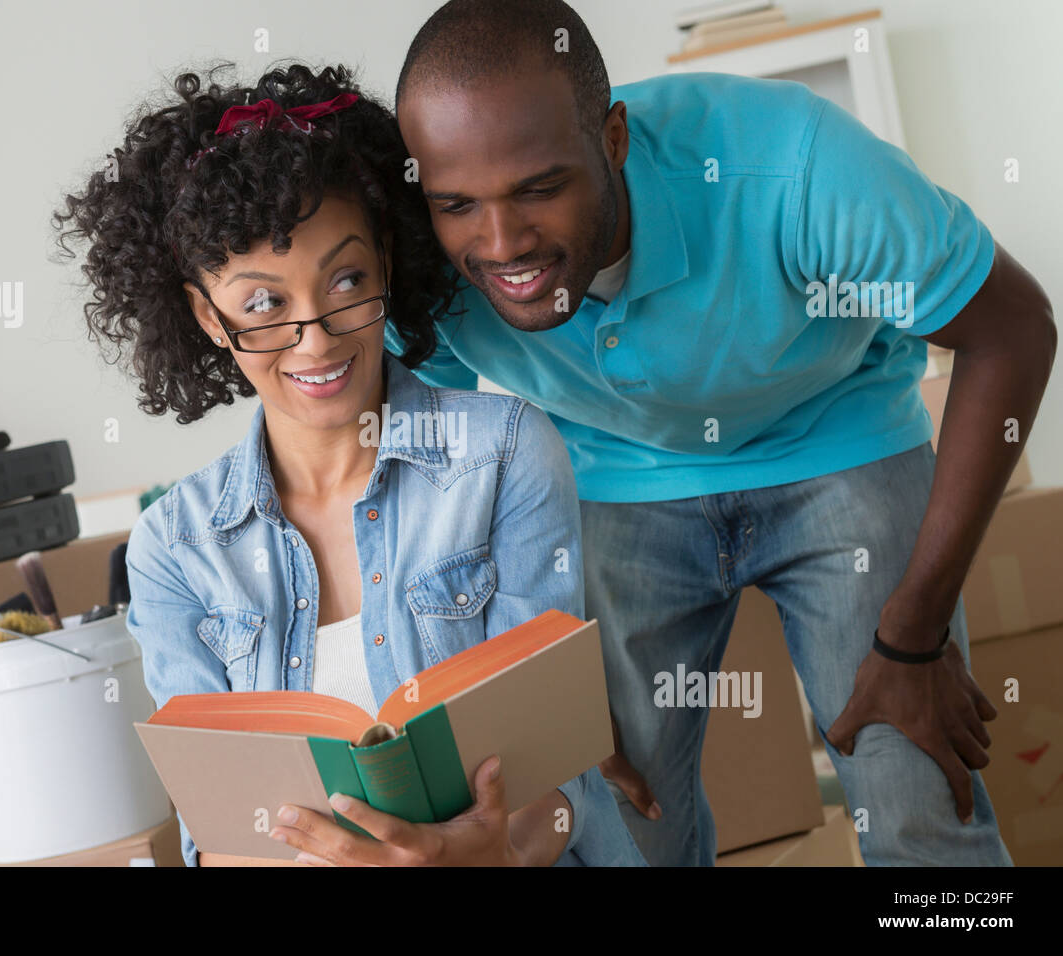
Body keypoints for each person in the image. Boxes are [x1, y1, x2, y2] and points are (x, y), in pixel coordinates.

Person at [385, 0, 1056, 865]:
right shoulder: (426, 266)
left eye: (540, 189)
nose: (503, 241)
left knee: (916, 800)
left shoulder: (796, 169)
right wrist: (532, 691)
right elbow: (433, 458)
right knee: (614, 821)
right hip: (617, 478)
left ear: (614, 140)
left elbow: (1014, 327)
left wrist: (916, 635)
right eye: (457, 204)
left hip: (834, 437)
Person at [52, 62, 646, 867]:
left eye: (346, 280)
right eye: (263, 304)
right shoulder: (174, 550)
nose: (318, 338)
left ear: (387, 266)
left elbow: (559, 789)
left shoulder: (502, 453)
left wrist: (488, 856)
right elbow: (216, 838)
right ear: (207, 315)